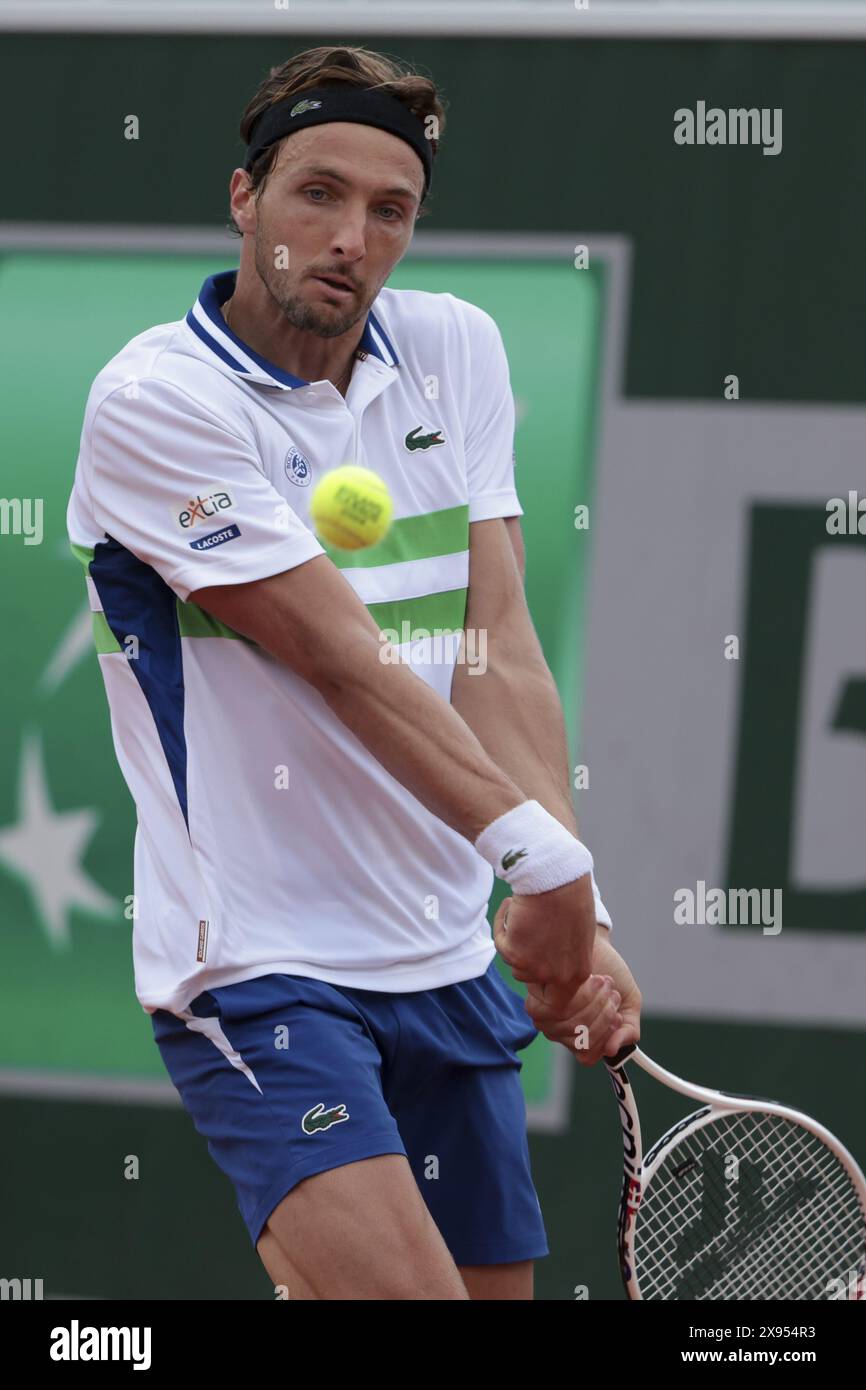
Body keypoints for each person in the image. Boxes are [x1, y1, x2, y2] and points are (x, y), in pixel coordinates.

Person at [66, 44, 641, 1301]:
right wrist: (542, 864)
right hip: (258, 963)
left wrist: (574, 912)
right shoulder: (154, 402)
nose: (350, 237)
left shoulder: (455, 349)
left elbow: (495, 642)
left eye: (390, 209)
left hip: (442, 953)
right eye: (316, 193)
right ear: (243, 197)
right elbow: (339, 659)